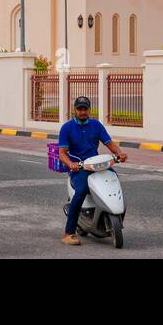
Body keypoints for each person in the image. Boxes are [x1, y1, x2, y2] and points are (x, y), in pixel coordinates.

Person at [57, 95, 126, 246]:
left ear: (89, 110)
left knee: (115, 181)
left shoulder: (96, 125)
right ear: (74, 110)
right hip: (80, 167)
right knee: (81, 191)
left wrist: (119, 153)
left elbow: (109, 143)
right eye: (79, 109)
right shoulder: (67, 128)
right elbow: (62, 153)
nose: (82, 112)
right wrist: (71, 164)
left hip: (96, 165)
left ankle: (114, 216)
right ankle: (68, 232)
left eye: (85, 109)